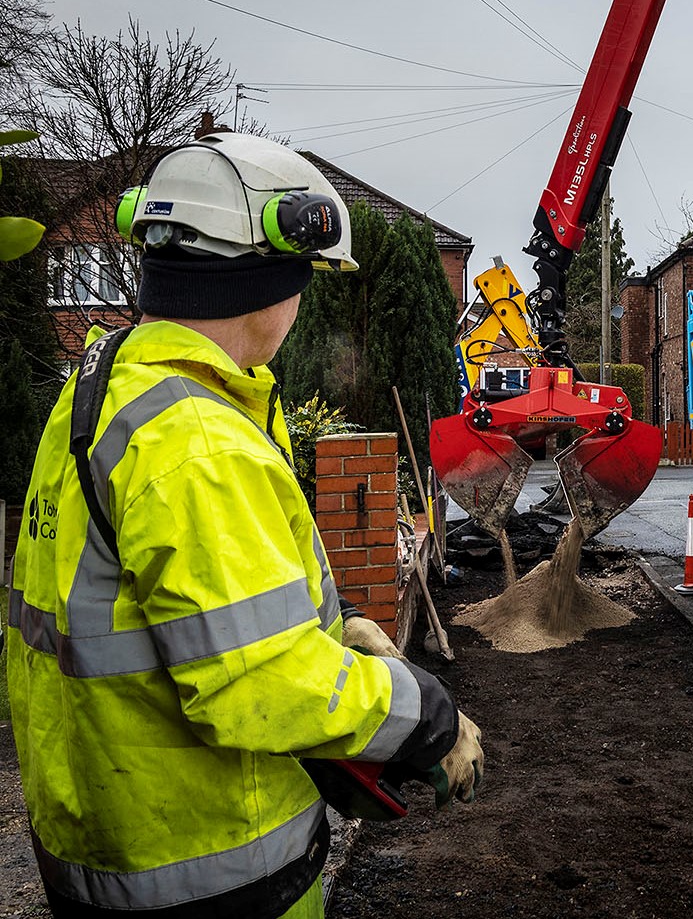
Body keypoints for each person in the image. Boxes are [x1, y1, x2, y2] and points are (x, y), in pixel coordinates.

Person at [5, 132, 483, 918]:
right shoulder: (199, 443)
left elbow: (187, 614)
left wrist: (340, 626)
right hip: (216, 870)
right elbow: (255, 681)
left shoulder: (101, 394)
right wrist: (423, 716)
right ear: (271, 282)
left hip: (108, 845)